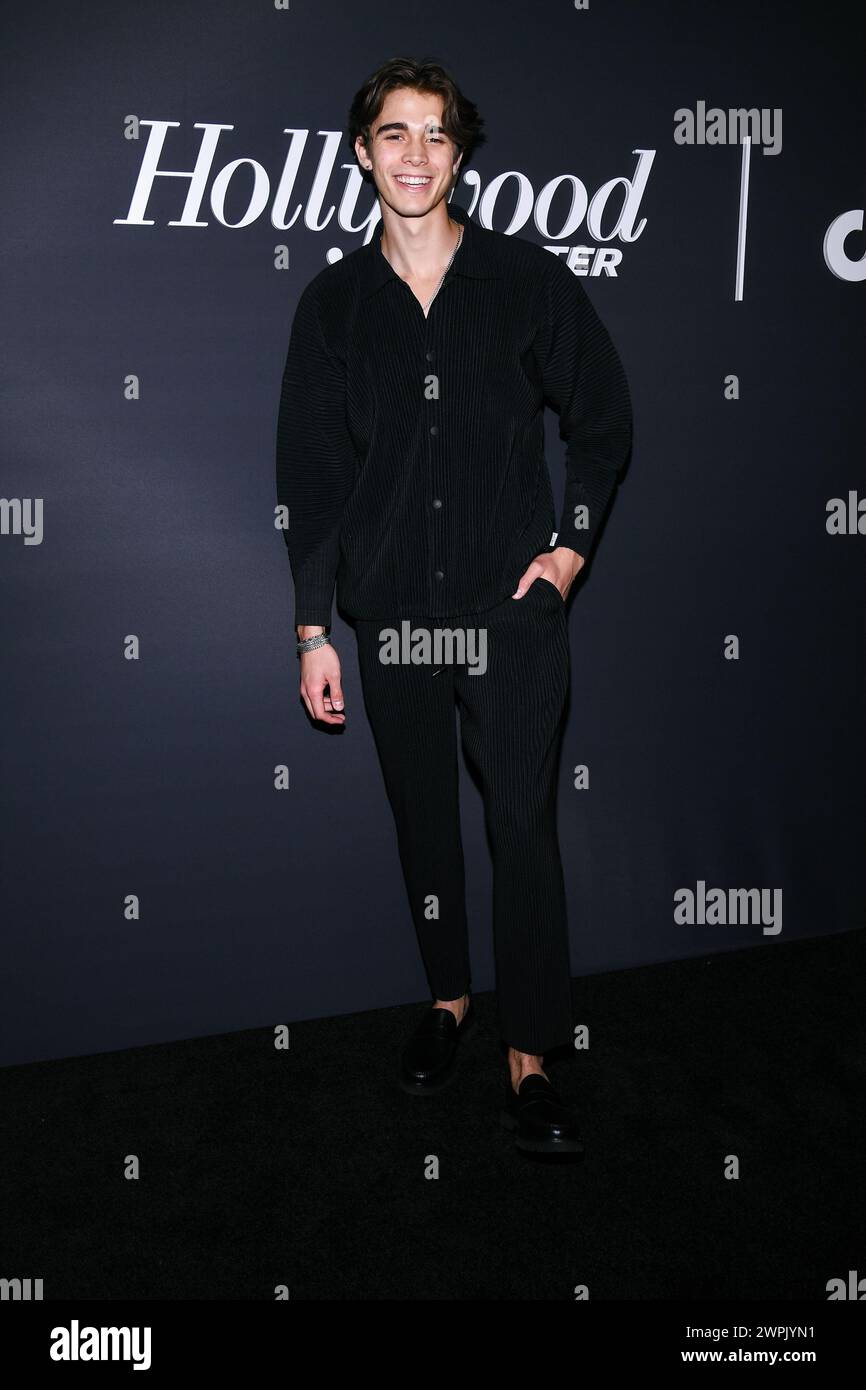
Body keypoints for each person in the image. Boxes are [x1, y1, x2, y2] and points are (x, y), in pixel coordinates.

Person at [275, 56, 633, 1155]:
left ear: (460, 152)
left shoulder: (524, 282)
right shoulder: (333, 303)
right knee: (423, 819)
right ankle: (447, 1002)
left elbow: (603, 424)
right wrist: (311, 627)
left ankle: (531, 1053)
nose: (415, 154)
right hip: (389, 618)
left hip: (507, 614)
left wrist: (567, 554)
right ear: (360, 151)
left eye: (435, 134)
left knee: (519, 828)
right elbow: (313, 477)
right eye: (394, 134)